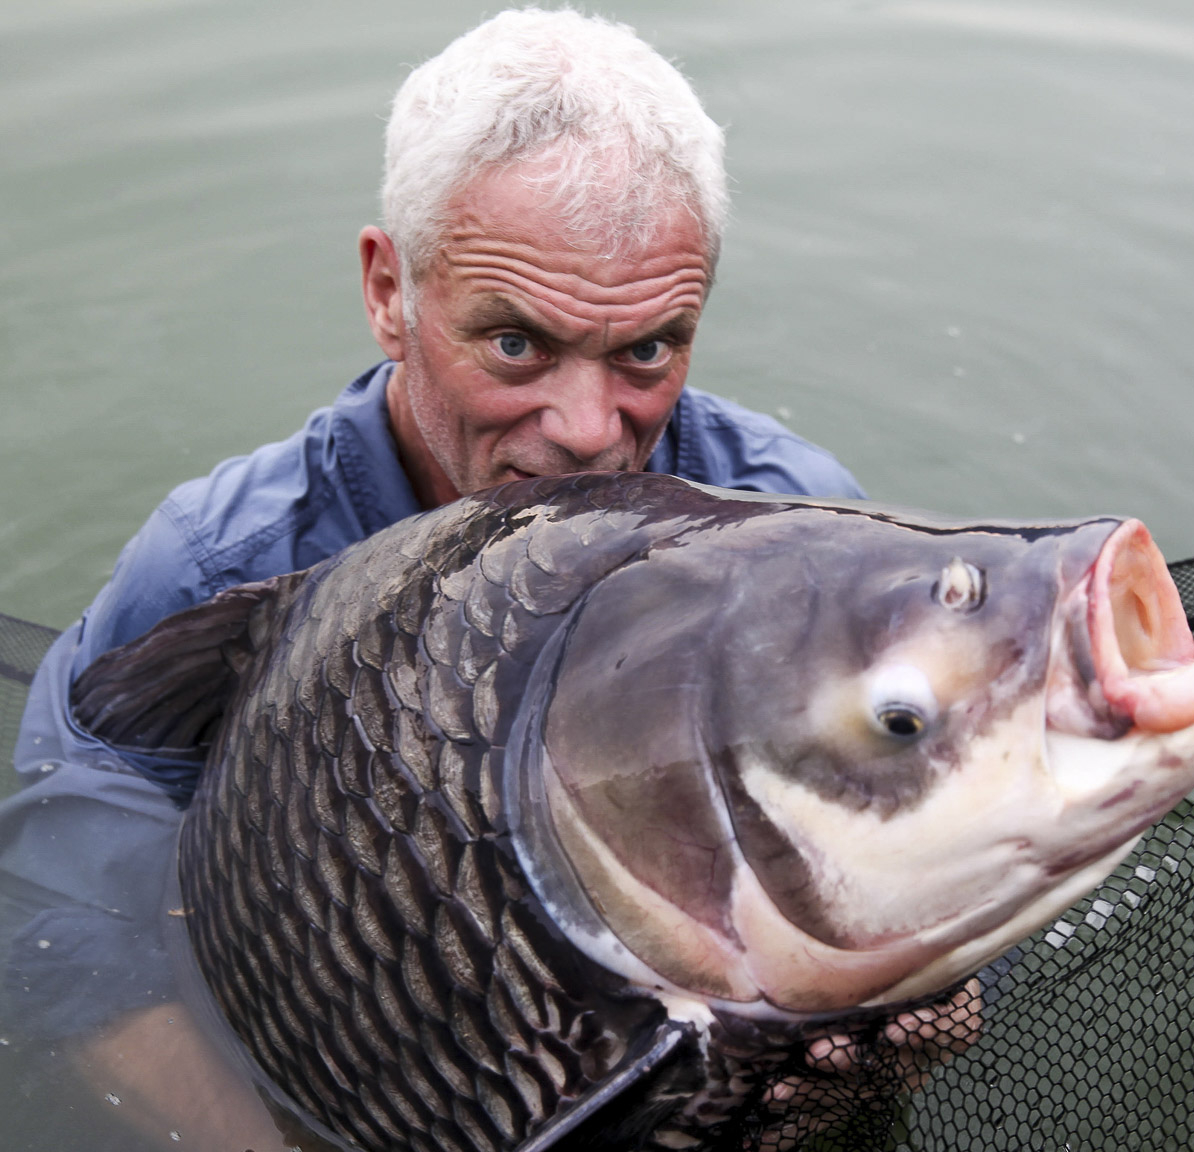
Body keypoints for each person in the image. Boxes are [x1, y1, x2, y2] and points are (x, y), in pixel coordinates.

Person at [0, 10, 973, 1150]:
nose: (587, 431)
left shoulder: (800, 537)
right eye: (515, 344)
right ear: (388, 292)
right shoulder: (223, 562)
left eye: (647, 349)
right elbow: (59, 910)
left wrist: (930, 999)